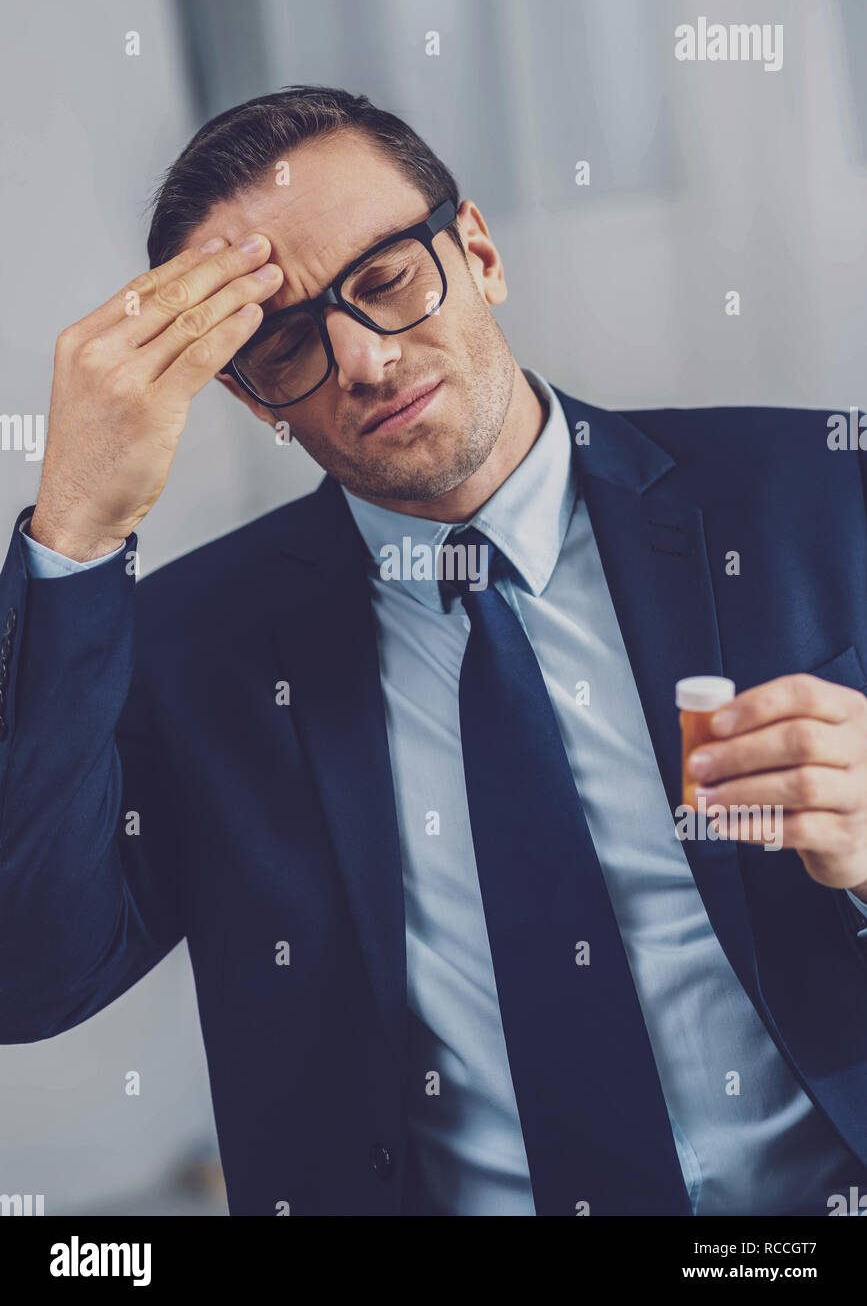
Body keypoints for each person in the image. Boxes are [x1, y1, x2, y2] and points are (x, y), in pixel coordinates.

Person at [2, 85, 867, 1217]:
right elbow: (31, 975)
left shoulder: (826, 495)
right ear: (252, 399)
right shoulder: (191, 652)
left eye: (386, 281)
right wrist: (74, 531)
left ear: (480, 253)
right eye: (287, 344)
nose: (364, 362)